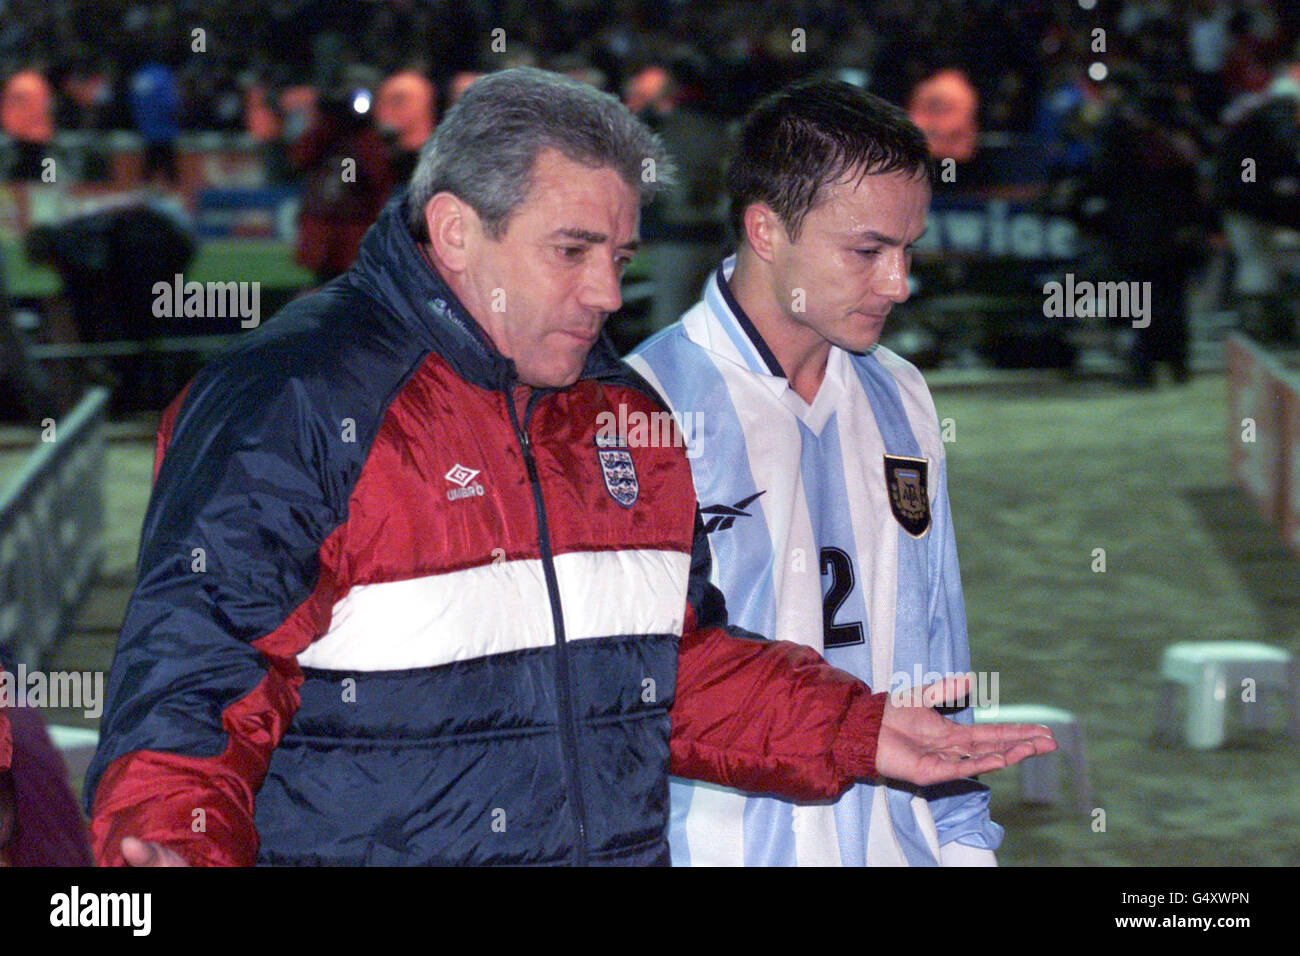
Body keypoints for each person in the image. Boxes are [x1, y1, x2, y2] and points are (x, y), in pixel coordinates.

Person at [84, 68, 1054, 868]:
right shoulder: (293, 399)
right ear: (458, 230)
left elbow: (668, 666)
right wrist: (167, 839)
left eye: (621, 256)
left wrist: (857, 730)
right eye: (571, 251)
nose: (604, 291)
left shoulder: (621, 411)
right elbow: (193, 674)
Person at [628, 79, 1006, 866]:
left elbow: (940, 635)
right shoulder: (644, 407)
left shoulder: (900, 390)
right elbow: (632, 689)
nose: (899, 283)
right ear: (766, 229)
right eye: (867, 251)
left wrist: (966, 841)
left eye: (908, 251)